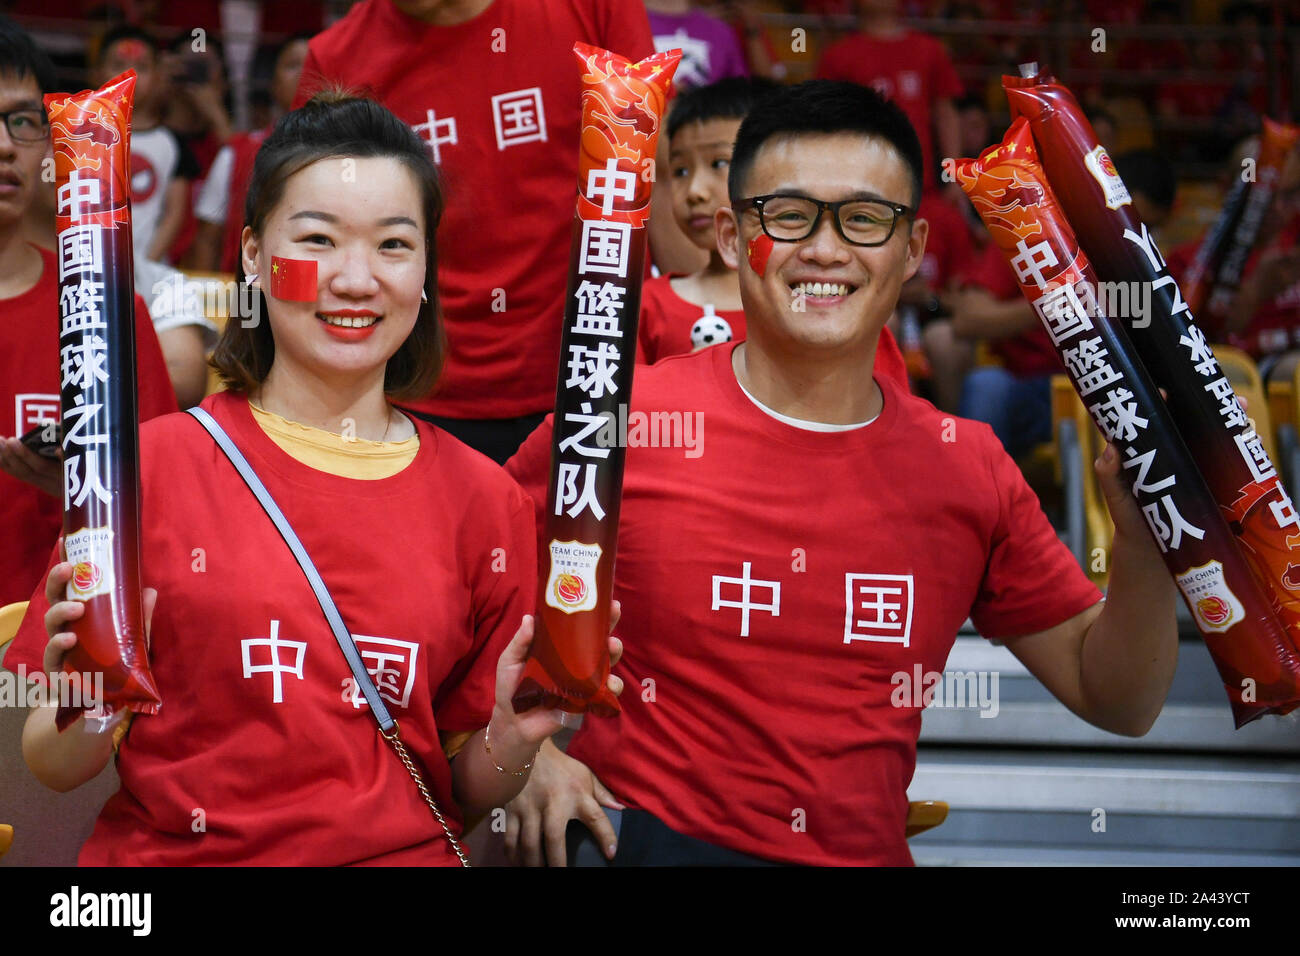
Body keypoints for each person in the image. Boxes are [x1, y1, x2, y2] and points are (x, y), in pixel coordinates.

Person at [500, 80, 1178, 867]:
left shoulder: (968, 466)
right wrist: (521, 757)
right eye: (788, 216)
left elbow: (1118, 699)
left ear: (914, 249)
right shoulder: (619, 421)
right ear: (728, 235)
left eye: (864, 219)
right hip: (646, 845)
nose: (825, 250)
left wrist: (1140, 543)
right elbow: (454, 587)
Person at [6, 93, 619, 866]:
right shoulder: (144, 472)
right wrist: (91, 706)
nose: (356, 280)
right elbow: (52, 765)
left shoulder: (484, 500)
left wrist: (511, 736)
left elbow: (463, 792)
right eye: (319, 240)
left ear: (427, 269)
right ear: (256, 258)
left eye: (394, 245)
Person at [293, 0, 654, 464]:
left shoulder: (594, 9)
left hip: (592, 373)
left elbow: (649, 173)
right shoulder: (337, 57)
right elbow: (312, 227)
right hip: (414, 391)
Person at [0, 17, 178, 608]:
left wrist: (89, 499)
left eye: (22, 121)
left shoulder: (105, 311)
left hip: (62, 652)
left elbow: (165, 511)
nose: (5, 144)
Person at [815, 0, 962, 203]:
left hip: (920, 189)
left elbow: (946, 115)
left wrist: (953, 177)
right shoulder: (837, 56)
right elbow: (825, 123)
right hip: (858, 190)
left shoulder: (930, 50)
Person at [192, 33, 311, 274]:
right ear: (273, 84)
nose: (304, 74)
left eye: (314, 65)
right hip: (248, 302)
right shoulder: (236, 153)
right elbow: (207, 240)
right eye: (292, 65)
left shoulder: (354, 157)